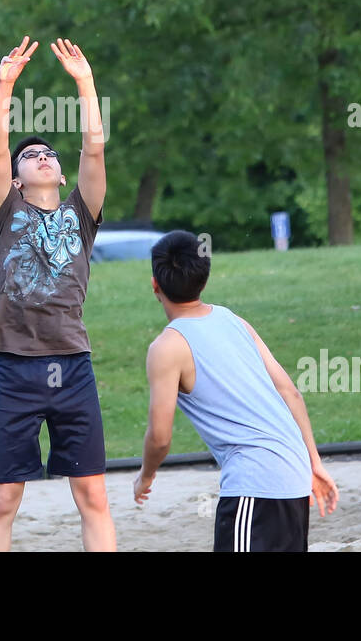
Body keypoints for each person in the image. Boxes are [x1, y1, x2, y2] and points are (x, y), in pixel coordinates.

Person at [0, 36, 114, 552]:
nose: (40, 157)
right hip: (14, 368)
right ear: (15, 177)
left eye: (47, 154)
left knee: (92, 496)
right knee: (3, 499)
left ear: (60, 173)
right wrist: (4, 85)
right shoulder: (4, 212)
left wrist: (85, 82)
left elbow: (94, 147)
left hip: (72, 365)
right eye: (30, 155)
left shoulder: (81, 213)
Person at [133, 231, 337, 551]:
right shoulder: (233, 320)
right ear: (204, 277)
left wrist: (145, 476)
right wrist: (314, 463)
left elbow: (160, 437)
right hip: (295, 475)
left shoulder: (166, 347)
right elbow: (290, 392)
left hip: (255, 484)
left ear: (155, 284)